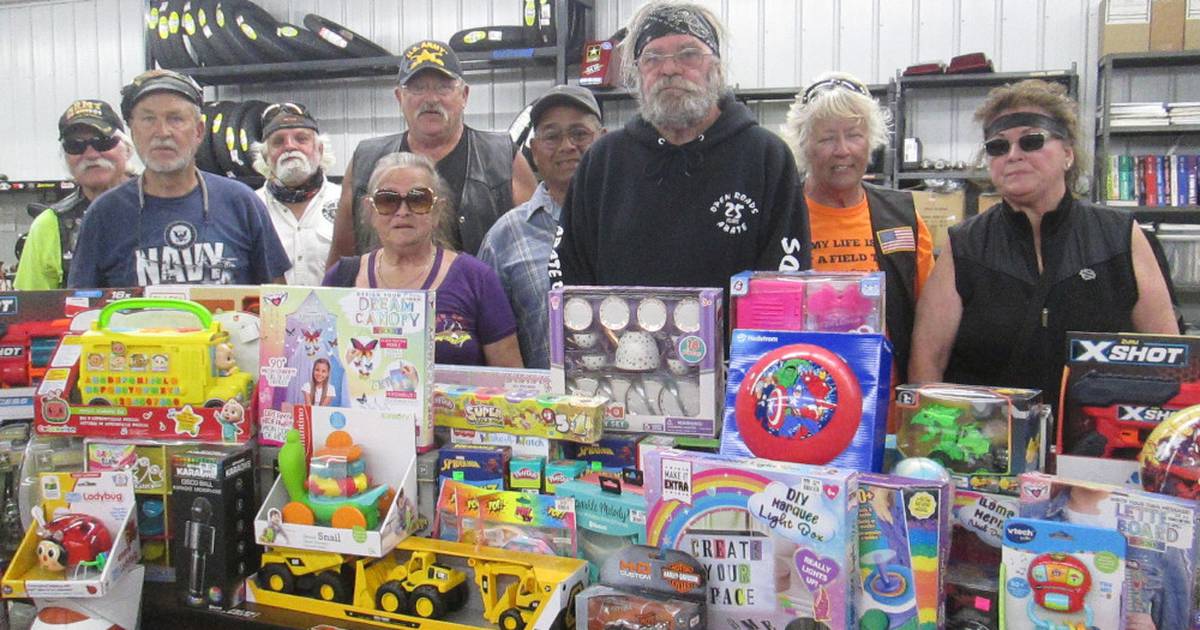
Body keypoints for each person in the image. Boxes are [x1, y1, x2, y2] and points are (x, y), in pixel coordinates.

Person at [910, 79, 1178, 403]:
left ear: (1067, 153)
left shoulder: (1119, 235)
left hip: (1094, 441)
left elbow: (1168, 356)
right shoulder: (966, 244)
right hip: (989, 444)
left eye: (1031, 141)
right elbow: (927, 361)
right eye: (997, 146)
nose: (1013, 155)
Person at [551, 2, 807, 292]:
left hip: (737, 339)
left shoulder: (766, 158)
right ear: (637, 74)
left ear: (717, 67)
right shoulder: (603, 162)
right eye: (653, 58)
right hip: (620, 339)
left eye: (688, 54)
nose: (669, 69)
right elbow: (570, 274)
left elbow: (786, 282)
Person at [68, 69, 291, 288]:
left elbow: (277, 299)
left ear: (199, 131)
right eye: (148, 119)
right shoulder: (104, 214)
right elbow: (80, 306)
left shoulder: (241, 202)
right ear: (132, 131)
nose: (162, 132)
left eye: (175, 119)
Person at [782, 72, 934, 382]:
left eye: (854, 135)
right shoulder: (782, 215)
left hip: (888, 412)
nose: (843, 150)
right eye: (827, 138)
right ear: (804, 144)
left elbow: (931, 323)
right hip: (804, 404)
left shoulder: (901, 216)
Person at [330, 39, 536, 259]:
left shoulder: (503, 157)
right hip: (387, 292)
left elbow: (535, 251)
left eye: (443, 87)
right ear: (399, 97)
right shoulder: (365, 161)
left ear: (464, 95)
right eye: (417, 88)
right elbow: (341, 259)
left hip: (481, 293)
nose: (430, 99)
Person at [324, 152, 522, 368]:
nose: (402, 211)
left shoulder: (477, 279)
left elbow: (509, 380)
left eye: (418, 199)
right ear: (370, 210)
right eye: (388, 200)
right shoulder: (341, 278)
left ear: (437, 210)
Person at [477, 85, 604, 369]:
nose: (567, 146)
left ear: (603, 140)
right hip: (541, 410)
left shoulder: (631, 220)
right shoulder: (504, 238)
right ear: (534, 151)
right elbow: (489, 342)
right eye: (552, 136)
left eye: (580, 134)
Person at [16, 100, 137, 289]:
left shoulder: (163, 203)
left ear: (127, 147)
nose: (91, 154)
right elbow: (30, 310)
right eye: (75, 145)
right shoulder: (50, 224)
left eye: (102, 142)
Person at [252, 102, 340, 287]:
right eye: (278, 141)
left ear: (320, 149)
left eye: (301, 139)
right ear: (265, 156)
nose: (290, 146)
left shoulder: (345, 203)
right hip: (270, 315)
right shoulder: (250, 207)